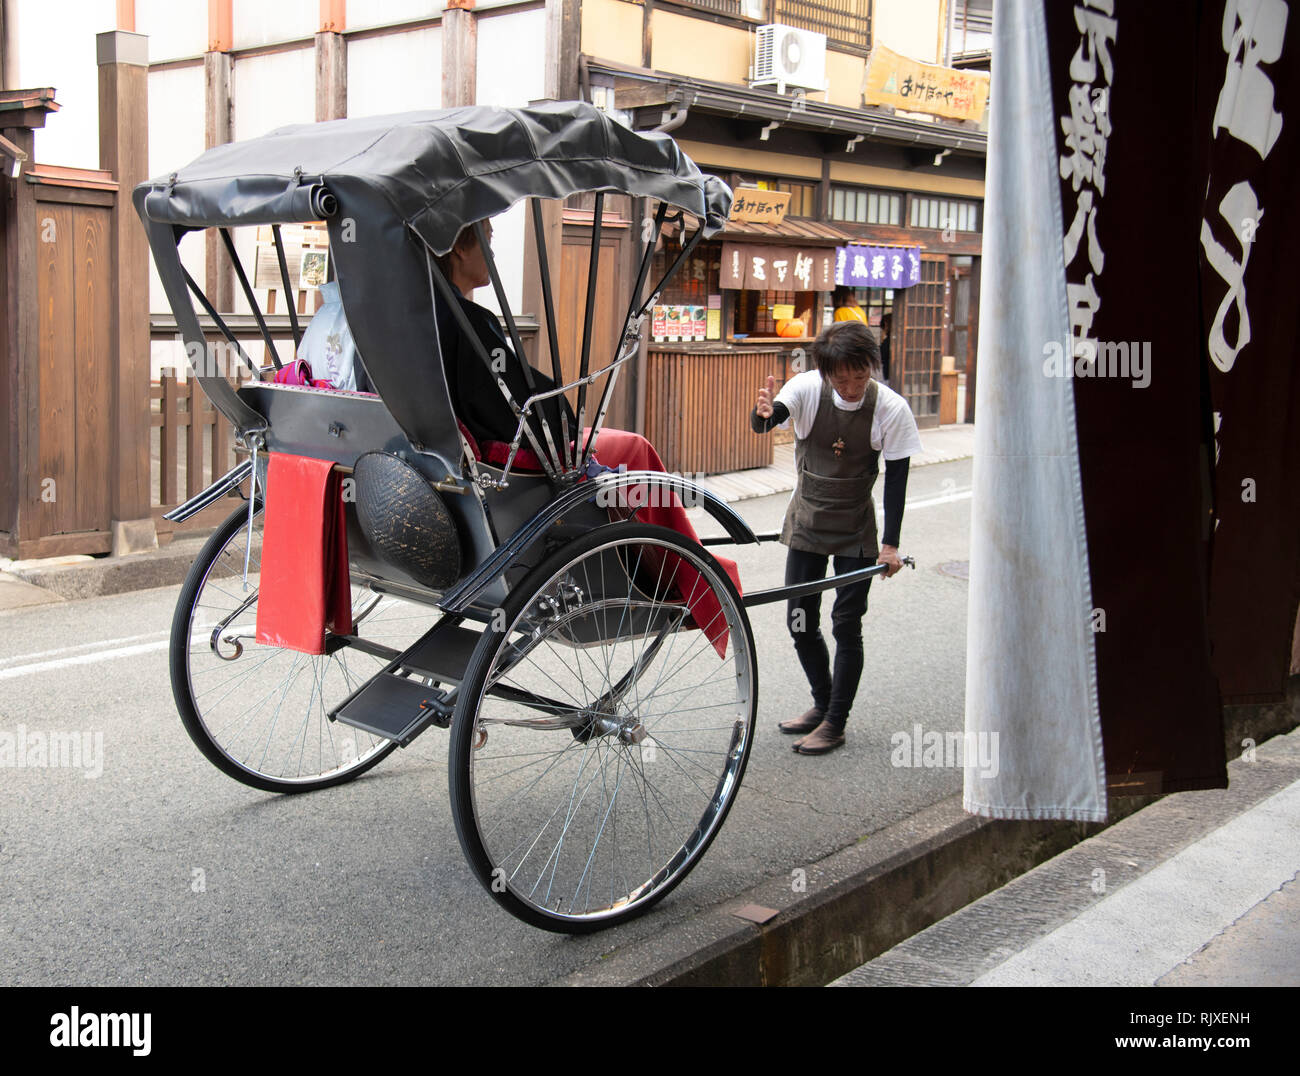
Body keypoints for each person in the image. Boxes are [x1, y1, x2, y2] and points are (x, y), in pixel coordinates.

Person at [751, 320, 921, 755]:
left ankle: (835, 723)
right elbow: (773, 418)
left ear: (872, 367)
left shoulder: (892, 409)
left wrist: (891, 545)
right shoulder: (807, 388)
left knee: (847, 624)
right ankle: (823, 704)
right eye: (840, 377)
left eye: (860, 376)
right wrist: (763, 416)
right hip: (807, 523)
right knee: (799, 622)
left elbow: (896, 483)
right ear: (824, 371)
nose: (850, 386)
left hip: (855, 532)